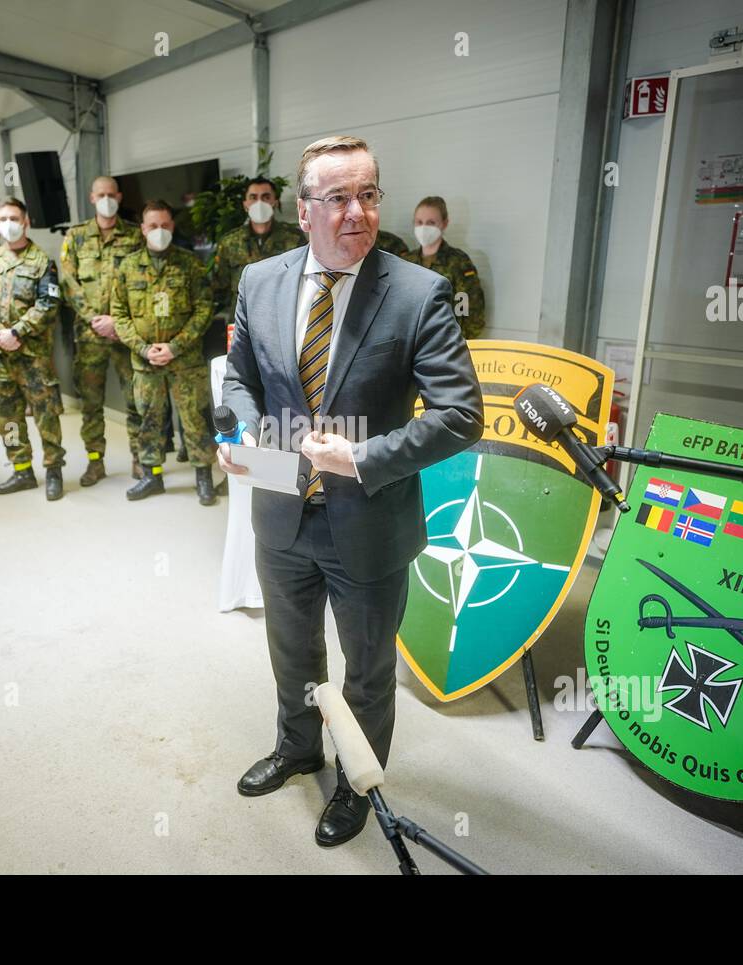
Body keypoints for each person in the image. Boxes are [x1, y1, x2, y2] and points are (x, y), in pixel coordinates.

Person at [220, 136, 482, 846]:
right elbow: (239, 376)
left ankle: (356, 779)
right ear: (304, 211)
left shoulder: (417, 292)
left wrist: (361, 456)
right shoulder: (260, 281)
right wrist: (244, 431)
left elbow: (462, 415)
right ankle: (299, 747)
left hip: (367, 518)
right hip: (279, 504)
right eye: (338, 198)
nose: (357, 212)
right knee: (292, 649)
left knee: (367, 668)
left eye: (368, 194)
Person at [112, 201, 217, 506]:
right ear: (143, 229)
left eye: (165, 225)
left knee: (194, 418)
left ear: (172, 226)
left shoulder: (191, 264)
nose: (159, 231)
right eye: (153, 226)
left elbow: (203, 309)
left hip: (184, 359)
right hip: (145, 362)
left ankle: (203, 478)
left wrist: (175, 346)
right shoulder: (127, 267)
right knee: (150, 421)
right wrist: (144, 349)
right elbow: (119, 314)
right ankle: (152, 476)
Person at [0, 196, 66, 501]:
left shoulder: (41, 260)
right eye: (2, 219)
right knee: (9, 416)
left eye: (14, 218)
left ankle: (54, 470)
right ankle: (22, 470)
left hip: (34, 355)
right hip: (1, 356)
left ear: (25, 222)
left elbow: (49, 302)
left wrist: (17, 331)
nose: (8, 224)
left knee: (46, 415)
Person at [59, 176, 144, 485]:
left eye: (111, 194)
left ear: (119, 197)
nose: (107, 198)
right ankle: (95, 461)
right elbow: (69, 283)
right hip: (90, 335)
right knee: (90, 403)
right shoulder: (76, 236)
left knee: (135, 400)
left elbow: (141, 283)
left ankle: (139, 458)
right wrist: (97, 318)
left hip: (126, 334)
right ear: (92, 198)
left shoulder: (135, 236)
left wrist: (117, 322)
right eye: (101, 194)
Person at [210, 177, 304, 320]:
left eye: (266, 197)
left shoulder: (294, 239)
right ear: (245, 204)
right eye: (253, 197)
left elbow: (304, 282)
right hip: (242, 322)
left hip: (282, 320)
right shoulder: (229, 242)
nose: (259, 203)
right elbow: (220, 287)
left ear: (275, 202)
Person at [402, 196, 486, 339]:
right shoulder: (405, 262)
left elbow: (471, 313)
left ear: (444, 224)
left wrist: (458, 347)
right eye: (419, 222)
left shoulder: (458, 262)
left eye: (431, 222)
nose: (424, 227)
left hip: (445, 347)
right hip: (410, 345)